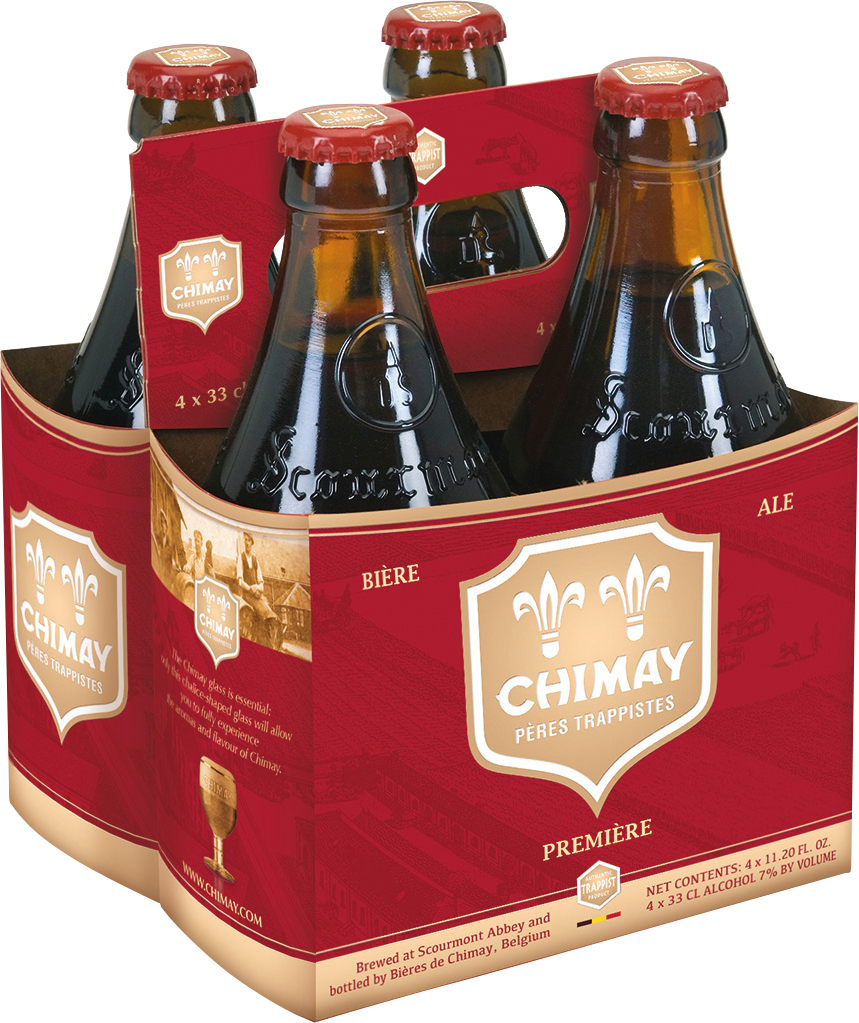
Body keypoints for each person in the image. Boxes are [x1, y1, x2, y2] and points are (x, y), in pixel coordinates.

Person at [235, 533, 281, 648]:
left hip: (257, 594)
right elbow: (240, 581)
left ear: (252, 543)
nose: (246, 543)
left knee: (268, 612)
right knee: (261, 614)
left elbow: (261, 584)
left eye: (248, 540)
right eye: (245, 540)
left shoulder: (255, 560)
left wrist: (257, 588)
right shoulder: (241, 558)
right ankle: (264, 643)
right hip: (247, 595)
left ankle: (271, 643)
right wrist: (250, 589)